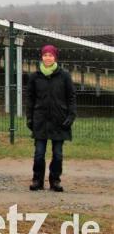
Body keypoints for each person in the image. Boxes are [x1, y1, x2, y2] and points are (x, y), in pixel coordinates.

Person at [26, 45, 75, 192]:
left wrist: (71, 115)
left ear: (55, 57)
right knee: (39, 154)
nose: (48, 57)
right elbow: (30, 99)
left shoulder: (64, 76)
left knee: (58, 154)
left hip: (59, 120)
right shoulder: (35, 77)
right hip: (40, 120)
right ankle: (37, 180)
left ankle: (55, 181)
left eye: (51, 55)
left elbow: (71, 97)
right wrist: (30, 118)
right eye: (45, 55)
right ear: (41, 57)